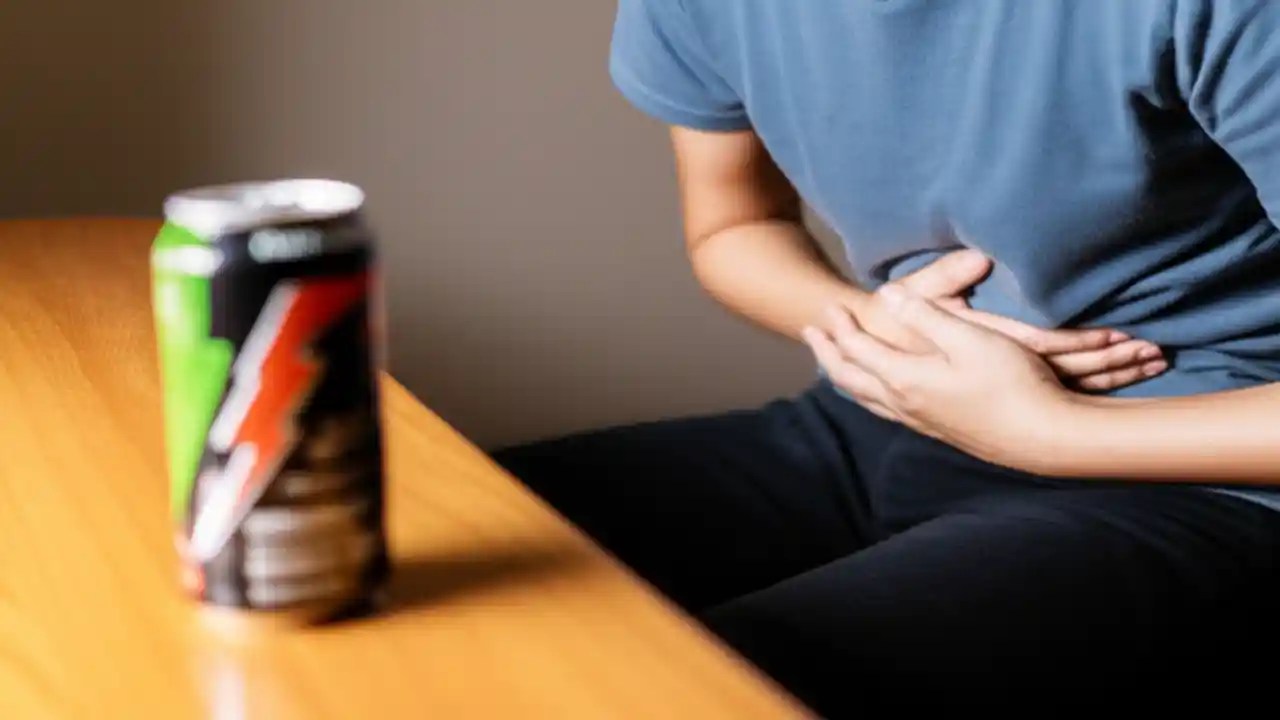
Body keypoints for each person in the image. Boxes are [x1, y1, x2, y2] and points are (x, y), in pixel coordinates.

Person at [495, 1, 1280, 712]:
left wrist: (1046, 431)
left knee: (685, 691)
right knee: (428, 538)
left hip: (1209, 475)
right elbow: (733, 227)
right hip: (887, 423)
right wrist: (883, 332)